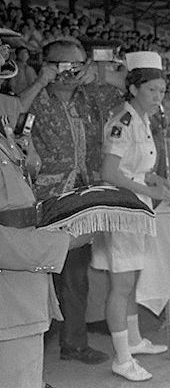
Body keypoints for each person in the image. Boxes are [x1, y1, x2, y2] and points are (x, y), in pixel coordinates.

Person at [0, 39, 93, 388]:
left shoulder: (84, 99)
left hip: (23, 282)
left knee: (68, 288)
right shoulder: (26, 103)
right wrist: (61, 243)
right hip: (15, 279)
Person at [28, 38, 123, 365]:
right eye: (64, 64)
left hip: (81, 199)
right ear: (47, 63)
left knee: (75, 276)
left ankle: (73, 344)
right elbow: (11, 113)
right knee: (36, 278)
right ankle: (31, 348)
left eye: (77, 64)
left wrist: (98, 73)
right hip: (43, 200)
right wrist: (41, 80)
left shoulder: (91, 98)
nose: (70, 72)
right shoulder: (34, 99)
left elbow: (129, 89)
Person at [91, 51, 170, 381]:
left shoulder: (142, 119)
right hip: (123, 209)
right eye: (153, 90)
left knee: (132, 278)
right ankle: (122, 359)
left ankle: (135, 341)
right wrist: (148, 190)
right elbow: (109, 172)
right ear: (135, 88)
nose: (159, 97)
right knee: (121, 284)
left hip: (137, 206)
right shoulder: (121, 122)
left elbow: (137, 167)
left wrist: (154, 180)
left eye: (163, 91)